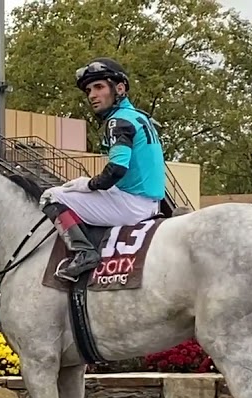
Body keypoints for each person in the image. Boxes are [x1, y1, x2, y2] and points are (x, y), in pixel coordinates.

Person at [40, 58, 167, 282]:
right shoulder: (140, 117)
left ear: (119, 89)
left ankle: (84, 252)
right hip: (153, 202)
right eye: (89, 90)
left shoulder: (117, 121)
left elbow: (117, 169)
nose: (92, 95)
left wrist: (87, 184)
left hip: (131, 204)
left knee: (51, 196)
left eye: (99, 87)